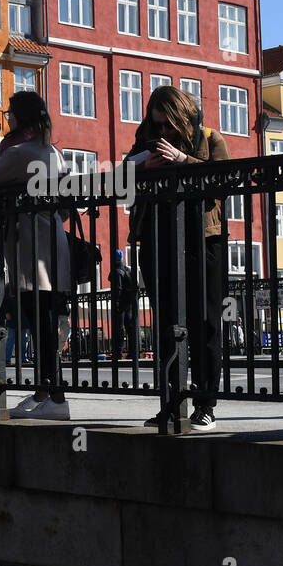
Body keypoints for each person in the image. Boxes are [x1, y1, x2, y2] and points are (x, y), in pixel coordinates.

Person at [126, 85, 229, 432]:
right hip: (157, 241)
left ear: (183, 117)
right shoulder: (145, 141)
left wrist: (184, 162)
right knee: (168, 326)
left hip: (203, 243)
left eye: (169, 125)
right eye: (157, 126)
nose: (163, 133)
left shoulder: (211, 138)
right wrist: (143, 167)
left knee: (206, 325)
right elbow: (122, 185)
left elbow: (224, 183)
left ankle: (206, 404)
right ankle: (172, 403)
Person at [0, 90, 72, 419]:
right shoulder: (53, 152)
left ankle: (53, 398)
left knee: (37, 320)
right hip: (53, 241)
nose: (6, 117)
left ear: (22, 117)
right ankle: (48, 394)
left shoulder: (20, 153)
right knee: (44, 322)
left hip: (30, 245)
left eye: (11, 112)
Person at [110, 249, 138, 359]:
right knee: (130, 329)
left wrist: (116, 304)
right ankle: (133, 351)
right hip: (129, 303)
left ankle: (118, 352)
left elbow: (118, 289)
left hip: (120, 305)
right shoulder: (127, 269)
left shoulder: (117, 271)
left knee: (119, 329)